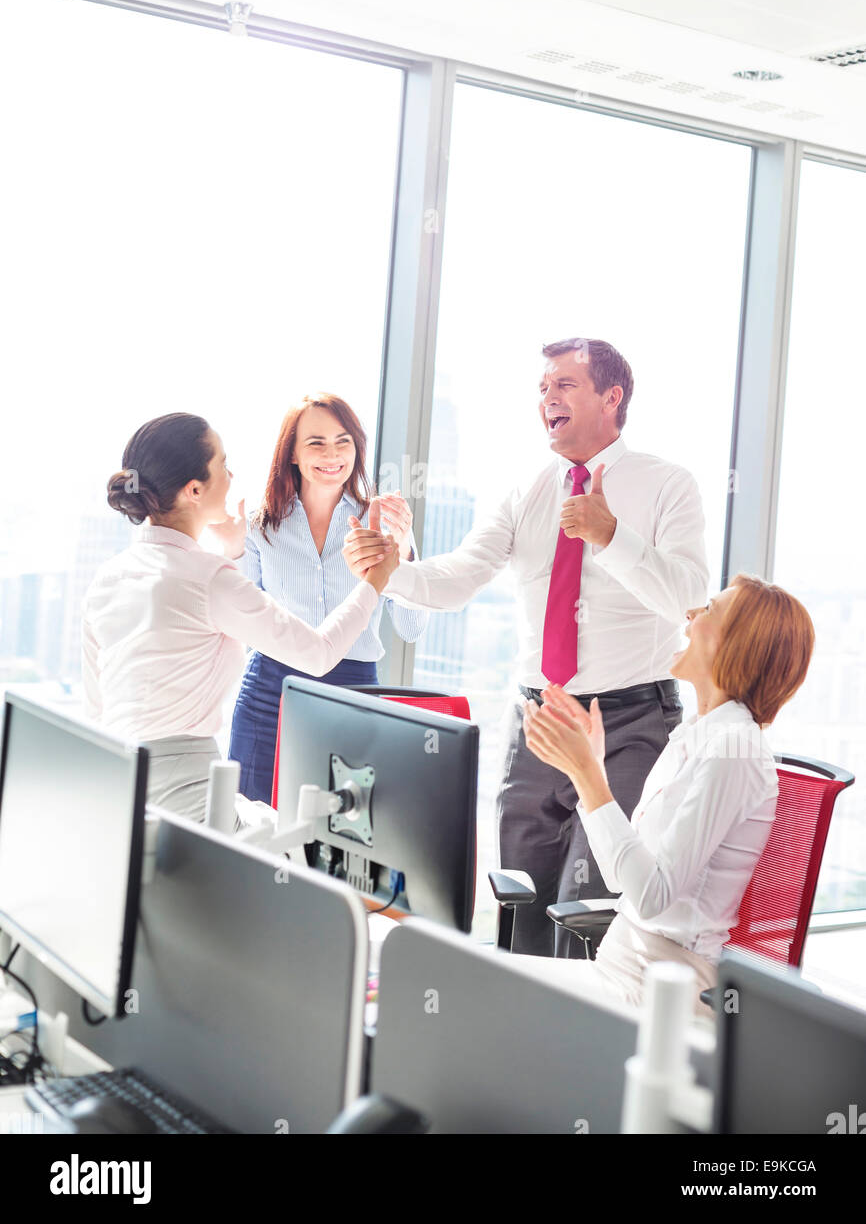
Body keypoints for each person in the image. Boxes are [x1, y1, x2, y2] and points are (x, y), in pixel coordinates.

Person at [343, 337, 708, 956]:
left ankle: (584, 1041)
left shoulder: (668, 485)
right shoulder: (528, 489)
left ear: (611, 397)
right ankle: (518, 1035)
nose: (547, 399)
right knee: (524, 897)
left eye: (563, 385)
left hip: (629, 720)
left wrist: (611, 535)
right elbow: (457, 578)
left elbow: (691, 598)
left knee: (594, 906)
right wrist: (390, 573)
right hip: (538, 717)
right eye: (542, 389)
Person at [515, 573, 815, 1014]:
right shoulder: (695, 736)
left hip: (663, 989)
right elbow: (625, 880)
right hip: (619, 965)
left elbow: (653, 898)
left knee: (490, 1000)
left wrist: (587, 775)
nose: (691, 615)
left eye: (709, 610)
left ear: (735, 645)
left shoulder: (735, 751)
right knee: (481, 983)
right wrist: (590, 770)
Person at [81, 412, 399, 821]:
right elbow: (318, 655)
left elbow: (97, 709)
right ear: (195, 489)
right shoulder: (211, 578)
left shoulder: (108, 578)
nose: (232, 477)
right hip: (188, 792)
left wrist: (230, 552)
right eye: (224, 466)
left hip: (121, 789)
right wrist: (374, 582)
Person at [228, 394, 428, 803]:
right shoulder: (259, 525)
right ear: (293, 455)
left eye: (344, 441)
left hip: (353, 693)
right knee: (250, 824)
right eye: (316, 443)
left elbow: (410, 629)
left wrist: (403, 552)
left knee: (338, 836)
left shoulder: (381, 525)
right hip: (270, 691)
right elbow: (240, 617)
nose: (332, 454)